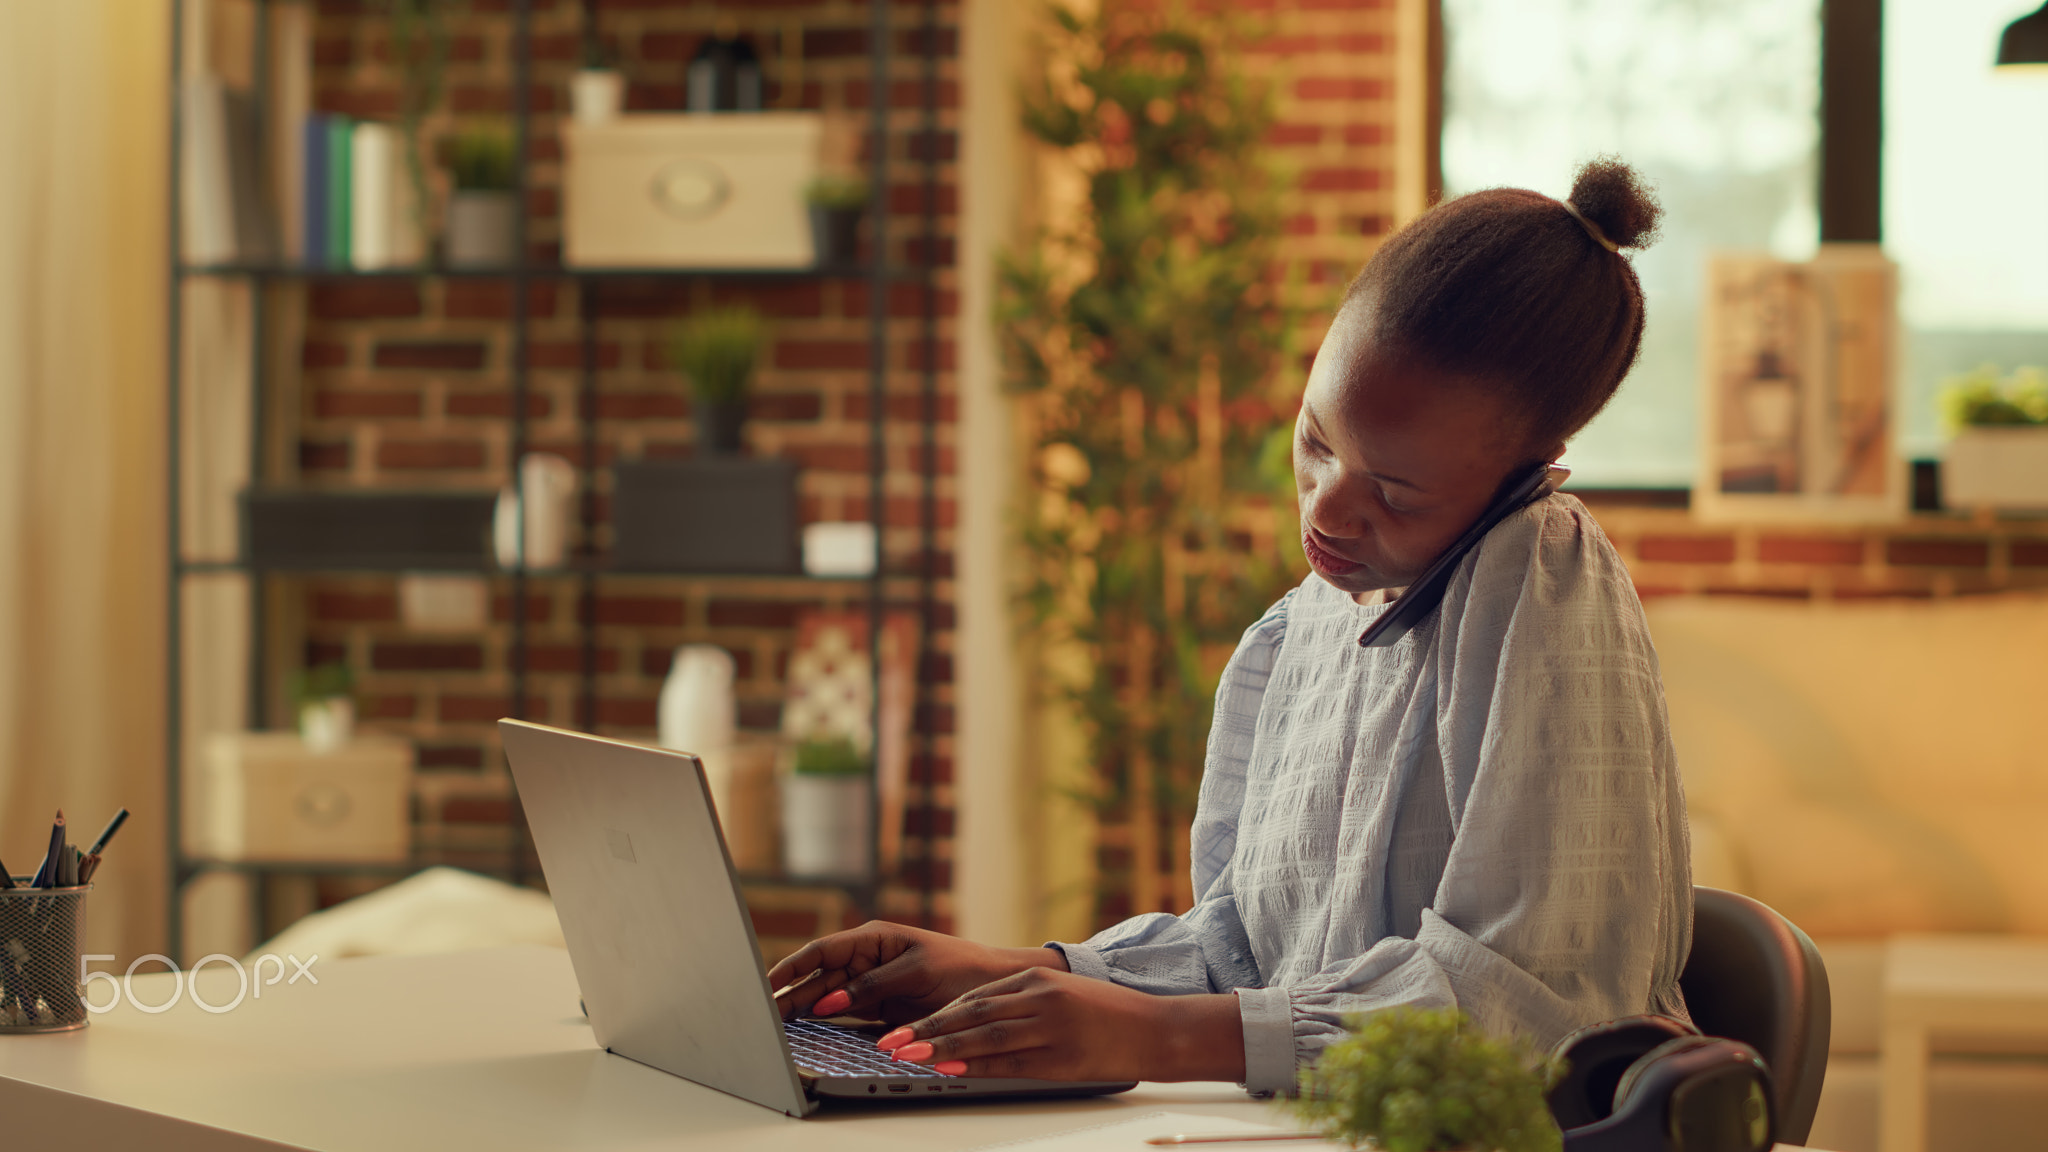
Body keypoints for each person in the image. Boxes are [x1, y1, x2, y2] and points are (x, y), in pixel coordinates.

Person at [767, 157, 1692, 1095]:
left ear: (1532, 468)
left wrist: (1158, 1039)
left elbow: (1537, 1010)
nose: (1325, 510)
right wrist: (1015, 971)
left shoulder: (1539, 572)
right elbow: (1243, 955)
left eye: (1396, 493)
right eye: (1317, 439)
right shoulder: (1301, 627)